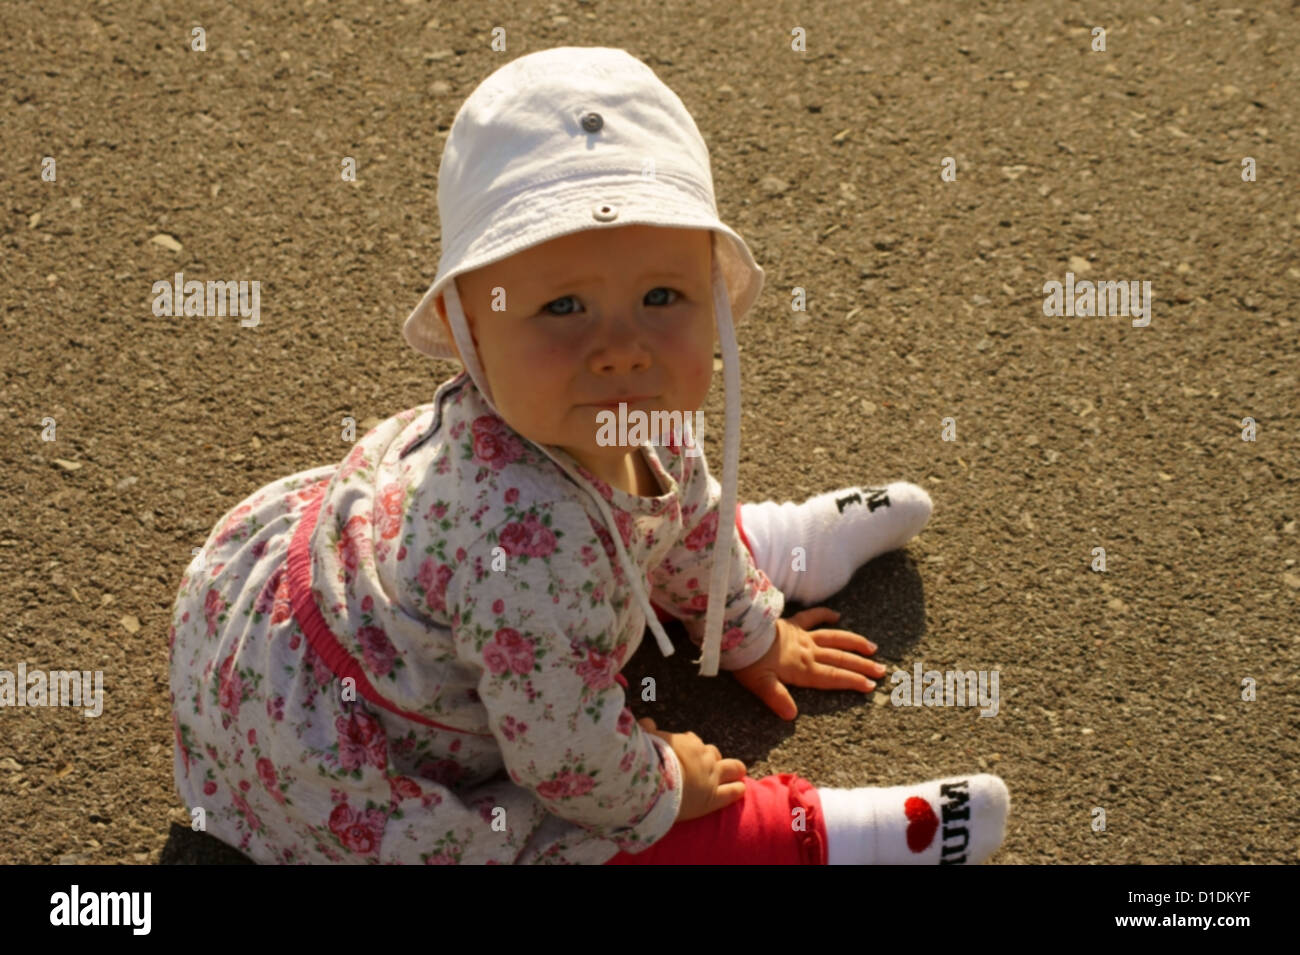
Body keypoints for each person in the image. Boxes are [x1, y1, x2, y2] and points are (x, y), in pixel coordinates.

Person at [168, 46, 1009, 865]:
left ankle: (779, 547)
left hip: (455, 622)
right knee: (570, 835)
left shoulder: (610, 417)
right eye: (563, 304)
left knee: (648, 521)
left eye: (661, 296)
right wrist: (665, 780)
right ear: (470, 329)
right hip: (339, 739)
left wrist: (751, 634)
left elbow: (680, 514)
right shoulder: (523, 558)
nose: (619, 348)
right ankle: (811, 833)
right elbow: (567, 760)